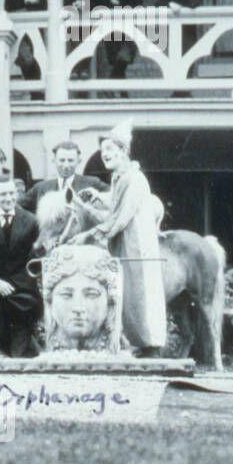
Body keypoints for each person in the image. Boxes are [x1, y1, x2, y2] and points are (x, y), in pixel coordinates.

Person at [73, 119, 166, 356]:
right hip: (124, 243)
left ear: (123, 151)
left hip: (138, 244)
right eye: (103, 152)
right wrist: (95, 195)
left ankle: (152, 344)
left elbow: (121, 217)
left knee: (141, 292)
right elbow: (114, 202)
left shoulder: (135, 179)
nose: (105, 156)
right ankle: (140, 343)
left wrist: (90, 234)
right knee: (127, 294)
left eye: (110, 151)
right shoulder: (119, 178)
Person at [0, 175, 42, 357]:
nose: (8, 198)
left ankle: (18, 361)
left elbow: (34, 259)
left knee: (25, 318)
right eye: (3, 194)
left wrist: (23, 282)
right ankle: (23, 354)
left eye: (12, 193)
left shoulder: (31, 221)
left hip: (23, 286)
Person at [20, 141, 104, 212]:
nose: (66, 165)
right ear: (54, 161)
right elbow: (17, 206)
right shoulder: (40, 188)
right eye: (62, 160)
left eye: (70, 160)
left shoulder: (92, 183)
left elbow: (114, 200)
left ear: (78, 161)